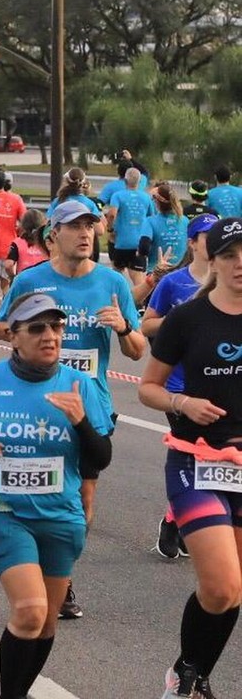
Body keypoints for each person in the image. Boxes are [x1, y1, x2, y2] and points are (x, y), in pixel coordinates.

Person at [0, 292, 111, 699]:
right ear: (13, 336)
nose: (49, 336)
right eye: (37, 328)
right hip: (4, 512)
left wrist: (81, 422)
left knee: (46, 622)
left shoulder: (80, 385)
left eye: (56, 327)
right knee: (30, 611)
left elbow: (101, 457)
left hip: (61, 515)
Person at [0, 200, 145, 620]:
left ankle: (62, 574)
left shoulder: (112, 282)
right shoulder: (31, 280)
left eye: (90, 226)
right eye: (75, 226)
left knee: (82, 499)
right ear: (53, 235)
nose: (85, 234)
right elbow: (1, 326)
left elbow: (137, 351)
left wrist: (123, 327)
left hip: (90, 408)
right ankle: (41, 569)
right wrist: (31, 334)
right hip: (37, 405)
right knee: (41, 490)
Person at [139, 216, 242, 699]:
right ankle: (185, 675)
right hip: (194, 460)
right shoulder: (187, 319)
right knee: (220, 584)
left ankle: (193, 675)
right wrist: (183, 403)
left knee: (233, 588)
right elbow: (148, 388)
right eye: (229, 255)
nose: (239, 264)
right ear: (212, 261)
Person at [142, 213, 218, 559]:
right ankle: (176, 522)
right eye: (205, 236)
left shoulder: (229, 285)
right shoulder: (174, 283)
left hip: (219, 385)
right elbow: (147, 326)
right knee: (194, 454)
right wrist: (180, 321)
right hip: (177, 386)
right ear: (192, 243)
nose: (212, 242)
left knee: (211, 457)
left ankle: (182, 519)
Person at [0, 169, 26, 318]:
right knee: (6, 284)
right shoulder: (16, 199)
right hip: (10, 248)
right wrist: (18, 232)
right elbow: (25, 221)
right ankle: (9, 315)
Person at [104, 167, 154, 287]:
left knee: (117, 277)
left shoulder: (118, 196)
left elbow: (112, 214)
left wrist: (110, 229)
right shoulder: (146, 197)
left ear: (125, 181)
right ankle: (139, 298)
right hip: (139, 244)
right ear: (139, 181)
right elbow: (151, 218)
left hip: (121, 243)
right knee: (138, 280)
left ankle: (120, 297)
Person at [139, 183, 189, 275]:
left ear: (157, 202)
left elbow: (143, 248)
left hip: (157, 272)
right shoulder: (185, 221)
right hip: (180, 272)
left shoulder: (150, 221)